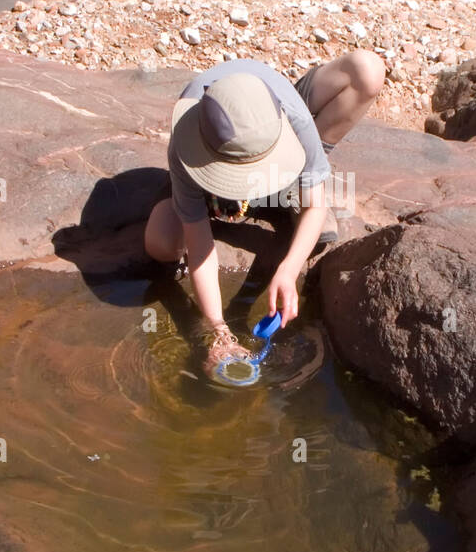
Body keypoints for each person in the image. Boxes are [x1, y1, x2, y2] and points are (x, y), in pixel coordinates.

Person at [145, 50, 385, 372]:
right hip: (214, 169)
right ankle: (262, 196)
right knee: (160, 241)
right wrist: (219, 330)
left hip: (270, 121)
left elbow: (317, 206)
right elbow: (200, 246)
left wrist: (288, 269)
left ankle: (299, 181)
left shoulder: (297, 122)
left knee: (367, 69)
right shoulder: (189, 140)